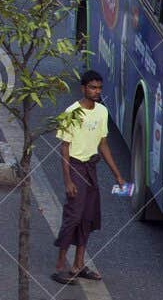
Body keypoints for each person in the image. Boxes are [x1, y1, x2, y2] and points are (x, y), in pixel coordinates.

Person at [53, 70, 126, 285]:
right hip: (75, 167)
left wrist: (117, 175)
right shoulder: (71, 113)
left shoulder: (102, 111)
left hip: (91, 168)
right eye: (92, 88)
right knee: (73, 216)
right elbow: (64, 148)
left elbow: (103, 144)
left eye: (99, 88)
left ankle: (78, 264)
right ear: (83, 88)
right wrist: (68, 180)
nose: (96, 91)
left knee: (87, 217)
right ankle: (60, 267)